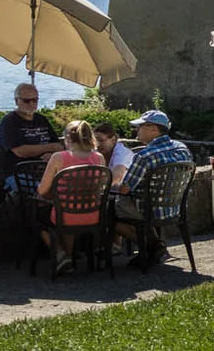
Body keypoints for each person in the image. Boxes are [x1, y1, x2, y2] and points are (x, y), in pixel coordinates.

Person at [112, 110, 192, 270]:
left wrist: (112, 185)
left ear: (154, 129)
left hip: (148, 210)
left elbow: (125, 189)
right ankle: (154, 246)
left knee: (108, 214)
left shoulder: (145, 156)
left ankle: (151, 246)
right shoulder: (182, 149)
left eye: (140, 127)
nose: (136, 130)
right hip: (174, 208)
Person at [34, 121, 106, 274]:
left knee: (37, 218)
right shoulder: (99, 158)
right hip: (93, 215)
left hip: (65, 216)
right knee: (69, 216)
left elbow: (42, 189)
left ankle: (61, 255)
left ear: (67, 138)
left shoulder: (59, 157)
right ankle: (68, 258)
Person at [0, 82, 64, 194]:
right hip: (19, 174)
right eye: (26, 101)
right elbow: (20, 151)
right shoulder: (9, 122)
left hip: (45, 171)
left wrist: (52, 154)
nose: (31, 104)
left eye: (35, 100)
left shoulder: (42, 120)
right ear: (16, 101)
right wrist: (49, 147)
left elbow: (59, 146)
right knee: (46, 192)